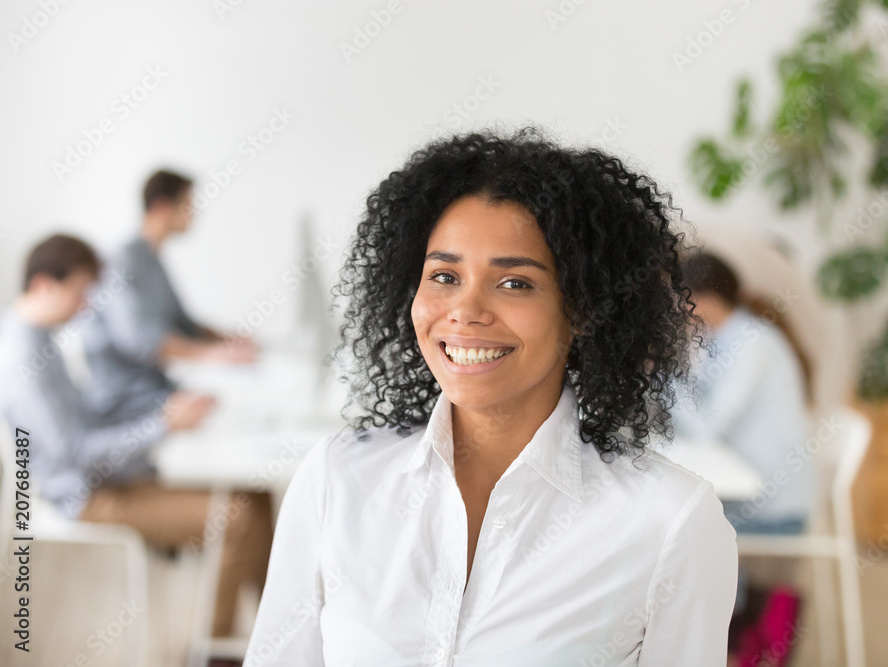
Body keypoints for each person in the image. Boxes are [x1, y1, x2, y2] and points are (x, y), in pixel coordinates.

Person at [245, 129, 738, 666]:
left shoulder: (668, 523)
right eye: (445, 275)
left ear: (583, 309)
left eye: (514, 283)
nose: (465, 310)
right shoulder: (336, 481)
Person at [0, 234, 274, 641]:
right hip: (86, 495)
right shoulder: (25, 356)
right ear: (44, 284)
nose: (86, 305)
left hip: (104, 478)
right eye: (78, 292)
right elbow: (76, 453)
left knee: (256, 495)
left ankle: (271, 630)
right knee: (239, 517)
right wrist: (162, 425)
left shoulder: (37, 338)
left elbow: (82, 422)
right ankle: (216, 651)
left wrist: (160, 412)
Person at [671, 251, 814, 665]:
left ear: (702, 299)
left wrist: (665, 376)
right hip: (749, 491)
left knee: (679, 532)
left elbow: (710, 424)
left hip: (770, 506)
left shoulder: (751, 343)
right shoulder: (726, 341)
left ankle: (711, 645)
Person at [78, 169, 257, 421]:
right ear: (163, 207)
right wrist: (210, 355)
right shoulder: (124, 261)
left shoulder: (152, 258)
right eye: (188, 204)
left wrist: (229, 339)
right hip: (126, 400)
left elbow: (183, 323)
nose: (194, 213)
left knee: (231, 405)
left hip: (155, 388)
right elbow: (141, 338)